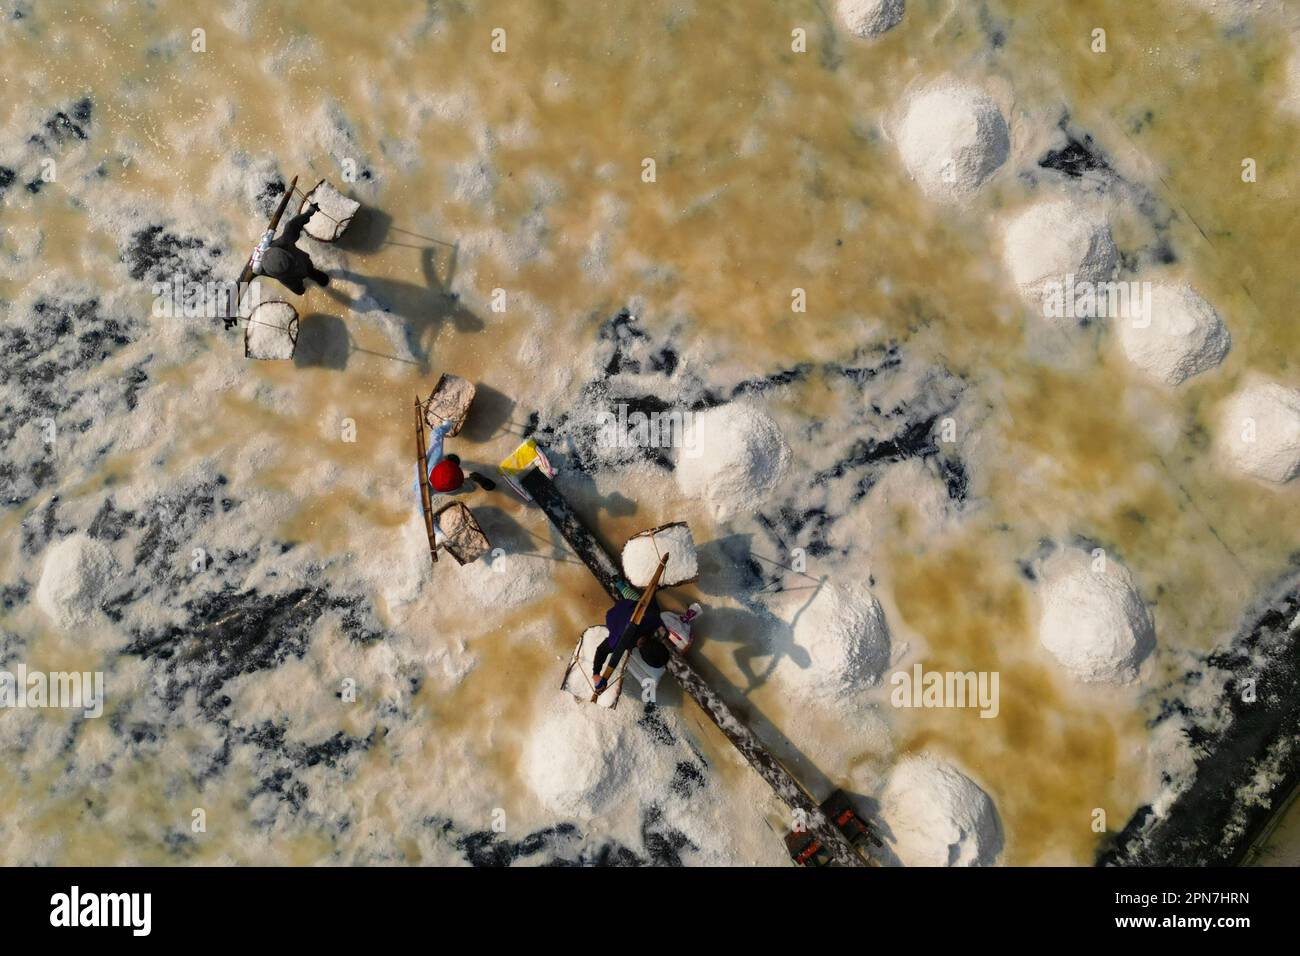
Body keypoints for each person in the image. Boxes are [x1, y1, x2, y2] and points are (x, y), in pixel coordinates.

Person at [255, 203, 331, 295]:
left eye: (291, 261)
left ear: (284, 251)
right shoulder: (283, 278)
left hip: (305, 263)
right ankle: (310, 274)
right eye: (291, 265)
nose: (294, 263)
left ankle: (313, 274)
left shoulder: (284, 241)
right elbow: (298, 290)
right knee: (301, 284)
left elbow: (293, 225)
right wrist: (300, 289)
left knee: (314, 273)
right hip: (297, 275)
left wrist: (309, 212)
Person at [592, 597, 664, 692]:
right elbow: (601, 650)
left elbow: (651, 600)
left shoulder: (654, 619)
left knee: (638, 603)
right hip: (614, 615)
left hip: (628, 605)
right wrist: (595, 674)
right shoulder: (619, 641)